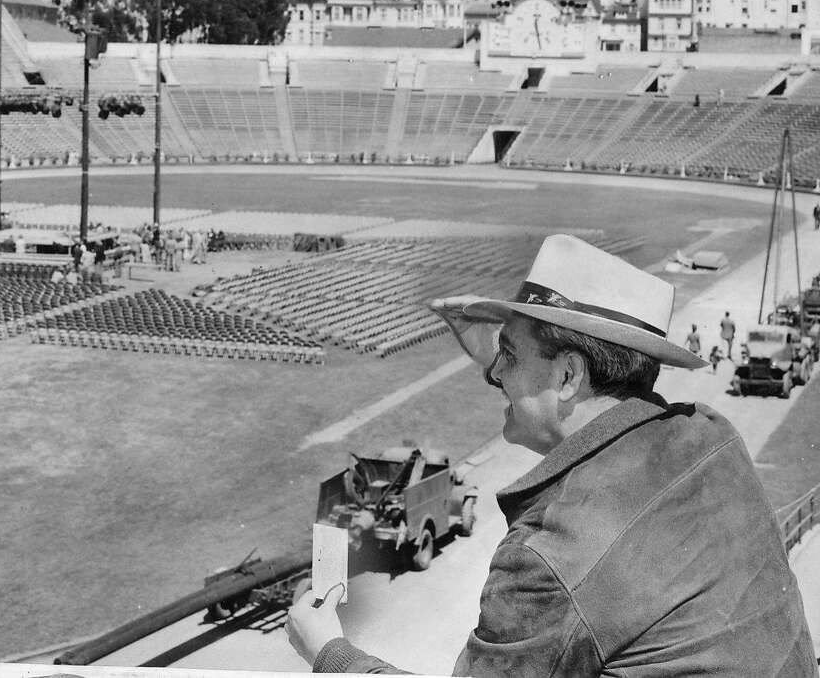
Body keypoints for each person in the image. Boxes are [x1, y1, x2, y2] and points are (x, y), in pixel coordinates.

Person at [287, 234, 814, 677]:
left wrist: (330, 653)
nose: (494, 374)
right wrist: (512, 370)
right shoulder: (711, 436)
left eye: (508, 357)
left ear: (568, 376)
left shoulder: (549, 558)